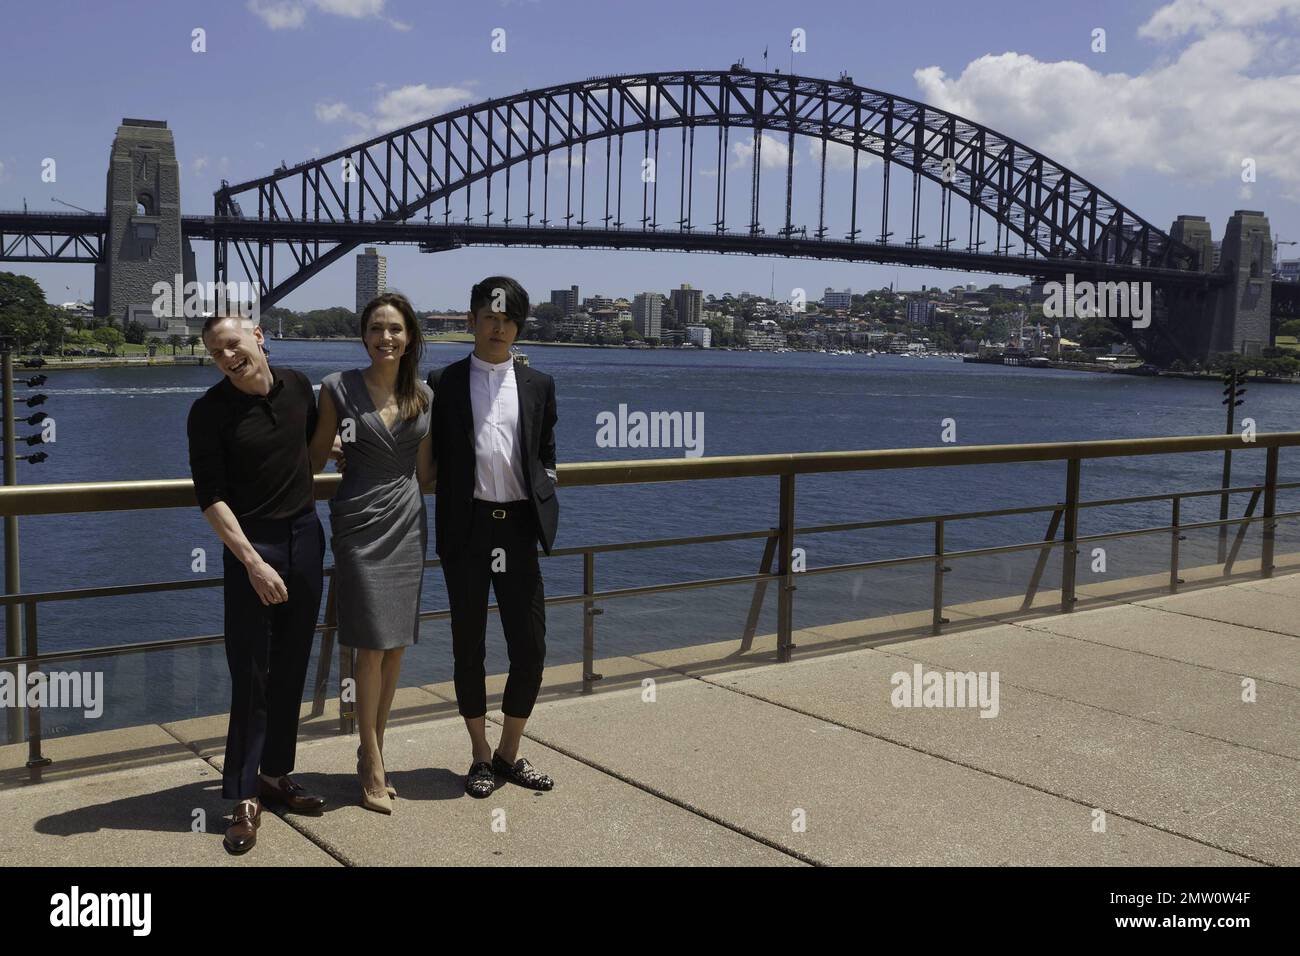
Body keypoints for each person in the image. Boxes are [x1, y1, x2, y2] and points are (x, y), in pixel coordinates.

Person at [187, 312, 330, 855]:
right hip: (252, 547)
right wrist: (251, 561)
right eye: (216, 352)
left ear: (258, 337)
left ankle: (275, 776)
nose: (226, 357)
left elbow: (309, 447)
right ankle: (243, 796)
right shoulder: (209, 412)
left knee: (293, 663)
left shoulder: (296, 385)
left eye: (232, 344)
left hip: (305, 535)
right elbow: (211, 497)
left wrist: (337, 451)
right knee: (252, 671)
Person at [427, 276, 559, 798]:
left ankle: (509, 751)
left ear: (518, 326)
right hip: (468, 528)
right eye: (489, 316)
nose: (498, 326)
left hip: (520, 528)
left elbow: (546, 449)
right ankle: (479, 755)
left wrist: (546, 482)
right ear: (472, 321)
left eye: (507, 319)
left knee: (530, 646)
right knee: (469, 647)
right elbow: (420, 446)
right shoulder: (442, 382)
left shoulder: (539, 385)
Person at [309, 292, 434, 814]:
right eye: (377, 329)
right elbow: (315, 456)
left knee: (397, 643)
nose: (386, 337)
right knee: (369, 644)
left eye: (396, 329)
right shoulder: (338, 387)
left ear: (410, 339)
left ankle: (372, 748)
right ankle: (372, 764)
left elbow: (426, 474)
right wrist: (333, 448)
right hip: (358, 522)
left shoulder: (425, 396)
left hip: (406, 519)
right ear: (364, 336)